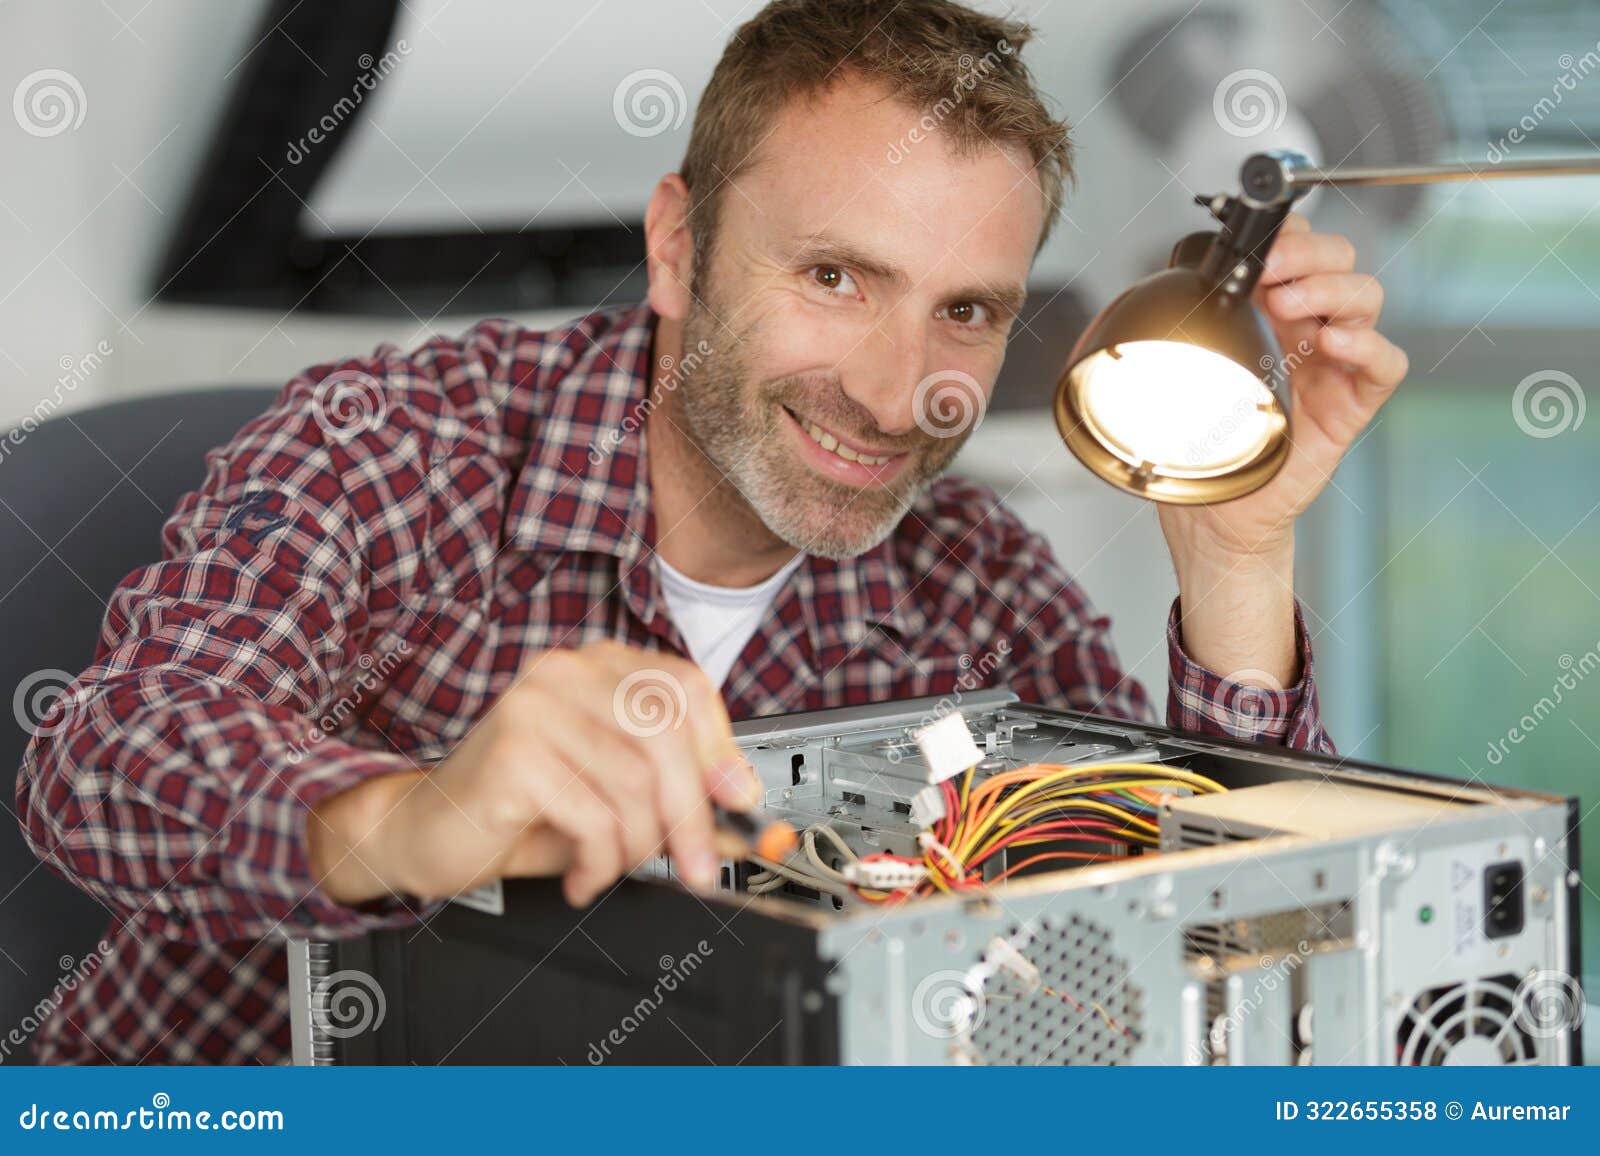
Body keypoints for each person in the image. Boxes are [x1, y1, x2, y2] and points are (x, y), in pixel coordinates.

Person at [16, 0, 1406, 1064]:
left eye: (965, 309)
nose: (890, 388)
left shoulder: (973, 574)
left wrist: (1236, 562)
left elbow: (1209, 959)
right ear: (679, 249)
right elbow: (107, 758)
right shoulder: (395, 446)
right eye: (834, 276)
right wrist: (414, 818)